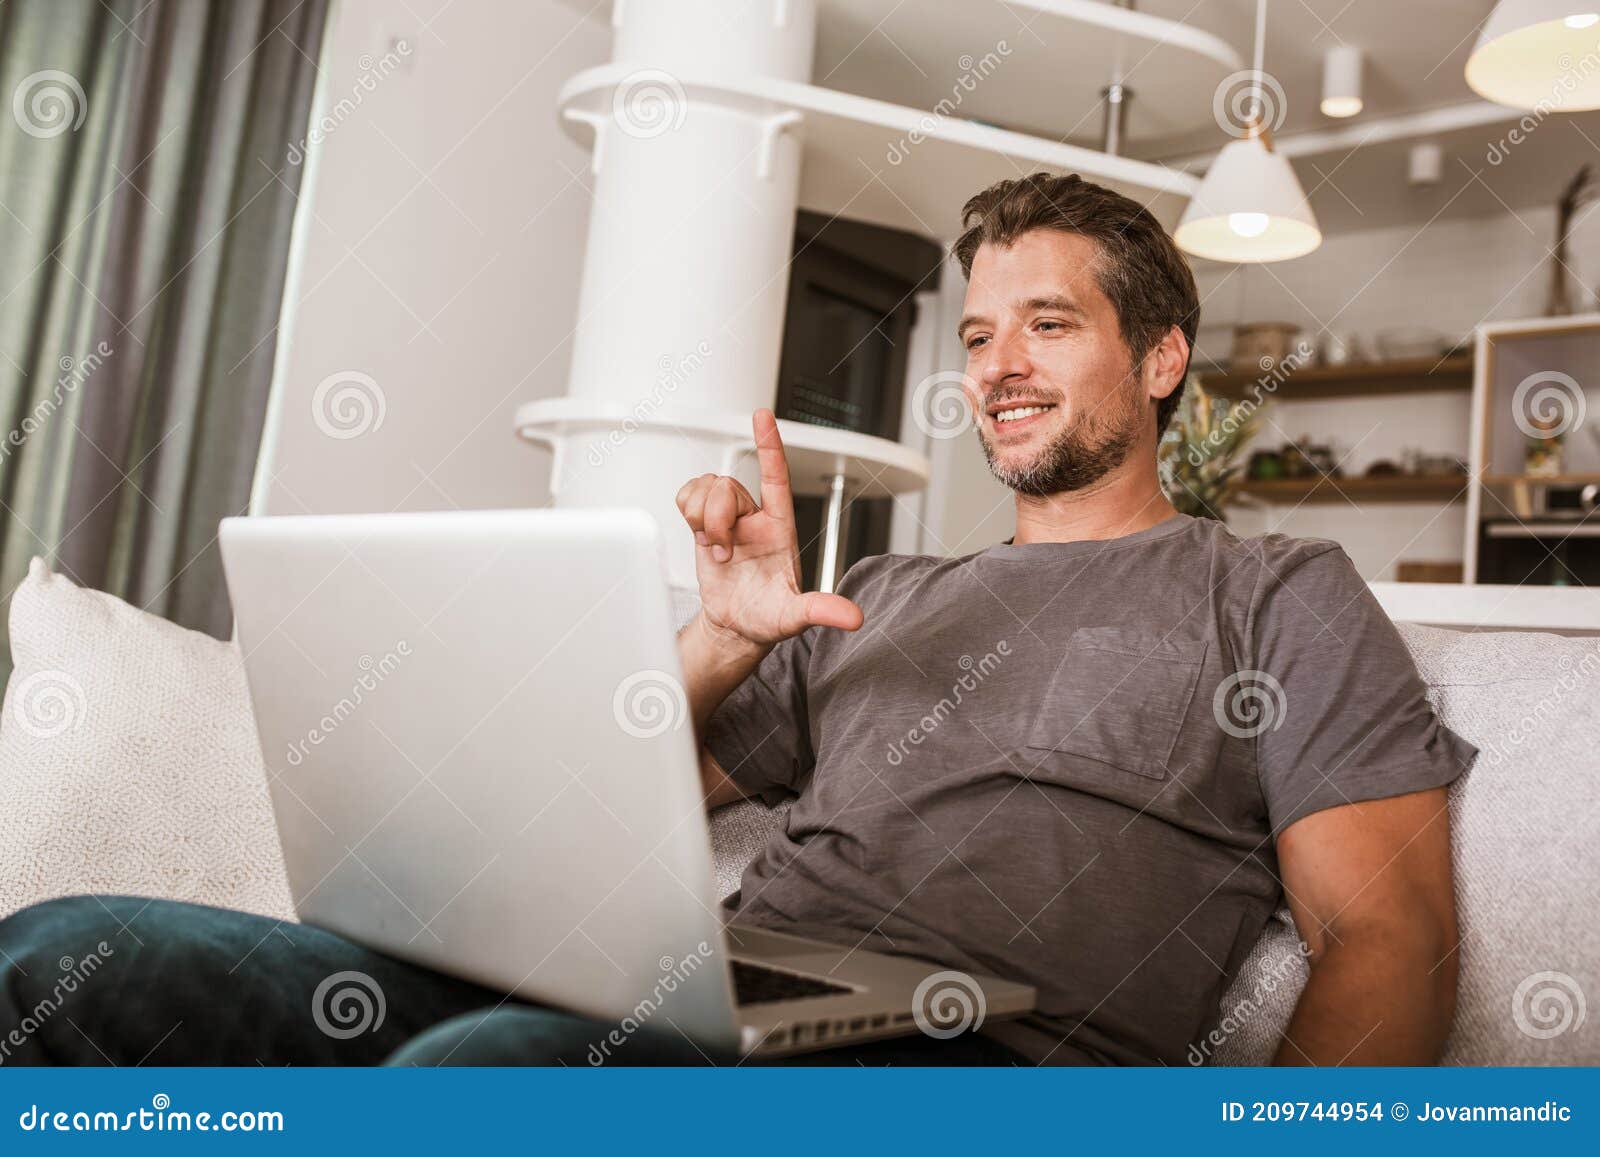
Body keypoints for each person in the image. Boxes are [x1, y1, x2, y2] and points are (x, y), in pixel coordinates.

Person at [0, 172, 1475, 1066]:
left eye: (1050, 323)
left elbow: (1388, 936)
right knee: (64, 964)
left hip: (975, 1059)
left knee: (496, 1076)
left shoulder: (1275, 597)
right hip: (706, 1002)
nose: (998, 364)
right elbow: (597, 796)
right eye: (976, 333)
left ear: (1161, 359)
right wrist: (724, 639)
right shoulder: (873, 596)